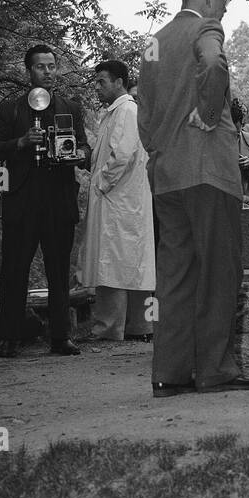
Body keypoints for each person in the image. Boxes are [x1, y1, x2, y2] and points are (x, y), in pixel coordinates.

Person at [136, 0, 249, 397]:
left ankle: (168, 374)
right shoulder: (206, 29)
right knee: (219, 271)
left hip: (167, 177)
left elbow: (146, 111)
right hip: (209, 171)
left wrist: (157, 153)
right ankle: (214, 370)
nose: (227, 6)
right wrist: (209, 114)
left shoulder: (154, 42)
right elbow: (213, 63)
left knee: (174, 275)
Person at [0, 44, 90, 357]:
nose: (47, 71)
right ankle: (9, 338)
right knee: (14, 270)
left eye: (51, 66)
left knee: (59, 270)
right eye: (40, 66)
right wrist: (20, 142)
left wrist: (78, 154)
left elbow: (85, 149)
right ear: (28, 71)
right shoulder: (11, 109)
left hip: (59, 198)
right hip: (22, 201)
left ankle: (61, 337)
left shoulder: (70, 107)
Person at [77, 59, 156, 342]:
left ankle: (109, 329)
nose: (97, 87)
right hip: (124, 200)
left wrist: (100, 183)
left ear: (119, 82)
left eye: (102, 81)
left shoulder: (126, 110)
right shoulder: (115, 112)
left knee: (113, 263)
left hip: (117, 198)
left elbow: (121, 154)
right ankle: (139, 327)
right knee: (130, 263)